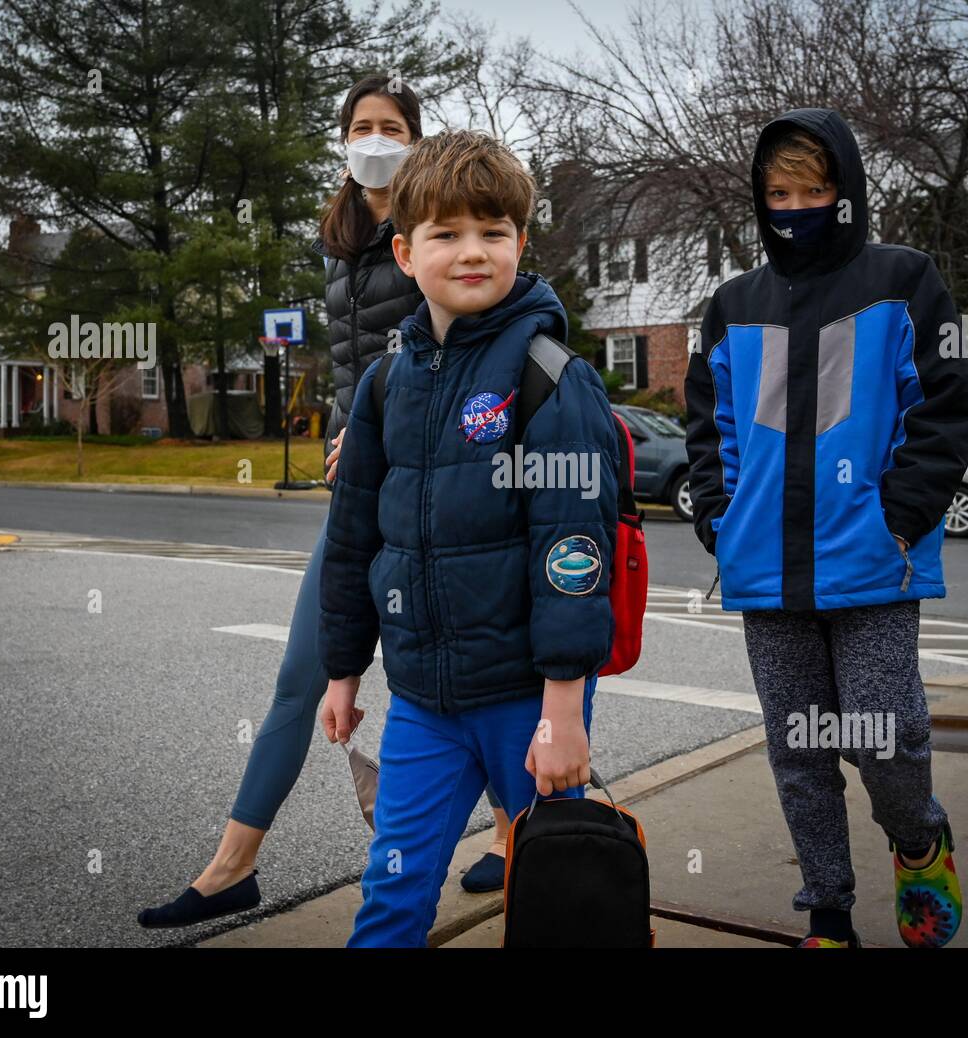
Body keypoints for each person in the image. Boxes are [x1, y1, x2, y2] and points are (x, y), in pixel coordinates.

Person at [138, 75, 438, 928]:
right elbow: (349, 364)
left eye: (392, 126)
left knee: (471, 677)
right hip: (357, 490)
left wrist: (381, 420)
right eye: (361, 127)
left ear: (417, 139)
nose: (375, 139)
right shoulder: (339, 238)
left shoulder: (434, 226)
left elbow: (450, 342)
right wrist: (344, 432)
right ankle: (233, 865)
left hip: (429, 481)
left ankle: (523, 842)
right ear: (343, 140)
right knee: (298, 678)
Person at [316, 128, 620, 947]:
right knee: (392, 890)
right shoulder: (385, 386)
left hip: (529, 699)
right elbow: (353, 542)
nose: (472, 251)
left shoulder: (553, 375)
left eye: (493, 232)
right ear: (406, 254)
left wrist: (564, 709)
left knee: (561, 905)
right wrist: (342, 670)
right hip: (422, 704)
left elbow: (573, 557)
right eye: (447, 234)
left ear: (521, 243)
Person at [683, 108, 968, 948]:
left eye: (814, 188)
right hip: (765, 572)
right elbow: (711, 429)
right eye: (779, 190)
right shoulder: (732, 305)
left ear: (845, 190)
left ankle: (918, 838)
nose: (796, 204)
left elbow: (946, 410)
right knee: (798, 754)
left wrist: (899, 516)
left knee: (886, 733)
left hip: (873, 564)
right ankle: (827, 911)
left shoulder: (905, 279)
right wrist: (721, 517)